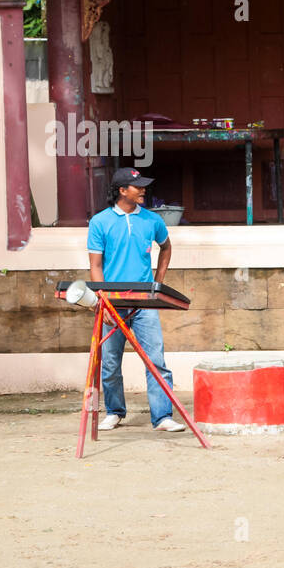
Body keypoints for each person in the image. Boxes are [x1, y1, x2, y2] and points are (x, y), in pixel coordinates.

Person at [87, 167, 186, 433]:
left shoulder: (152, 220)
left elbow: (166, 247)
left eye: (143, 186)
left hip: (145, 302)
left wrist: (158, 282)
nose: (143, 190)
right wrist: (103, 301)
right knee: (110, 363)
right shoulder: (99, 222)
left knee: (156, 360)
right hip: (113, 302)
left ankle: (162, 416)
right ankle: (114, 412)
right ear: (122, 190)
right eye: (137, 186)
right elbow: (95, 265)